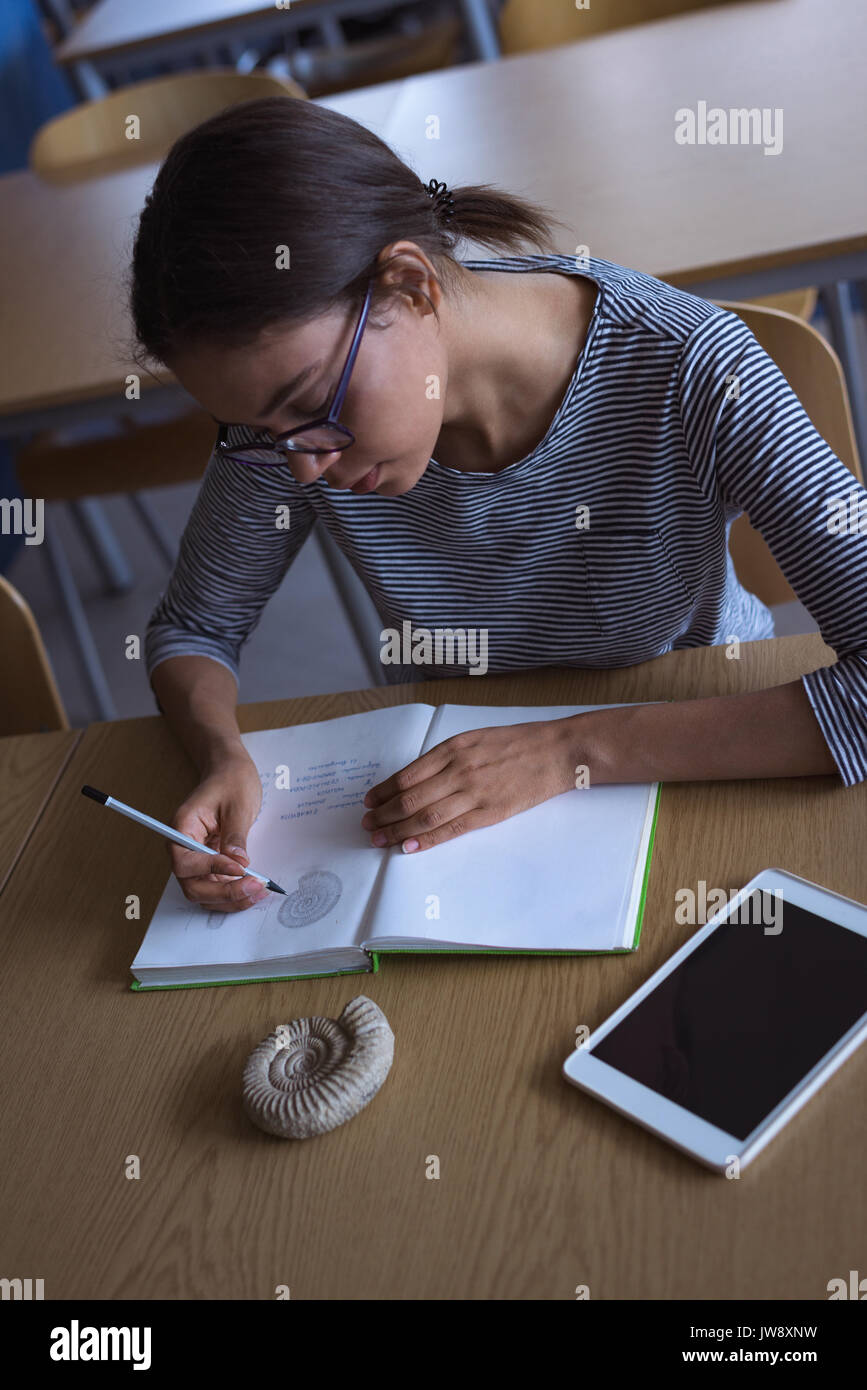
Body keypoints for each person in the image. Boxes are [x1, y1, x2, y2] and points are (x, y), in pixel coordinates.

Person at [130, 97, 867, 914]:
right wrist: (221, 752)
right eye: (256, 431)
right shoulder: (288, 425)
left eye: (308, 406)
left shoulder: (690, 366)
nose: (302, 469)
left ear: (409, 286)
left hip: (702, 752)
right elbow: (194, 628)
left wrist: (570, 750)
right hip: (459, 800)